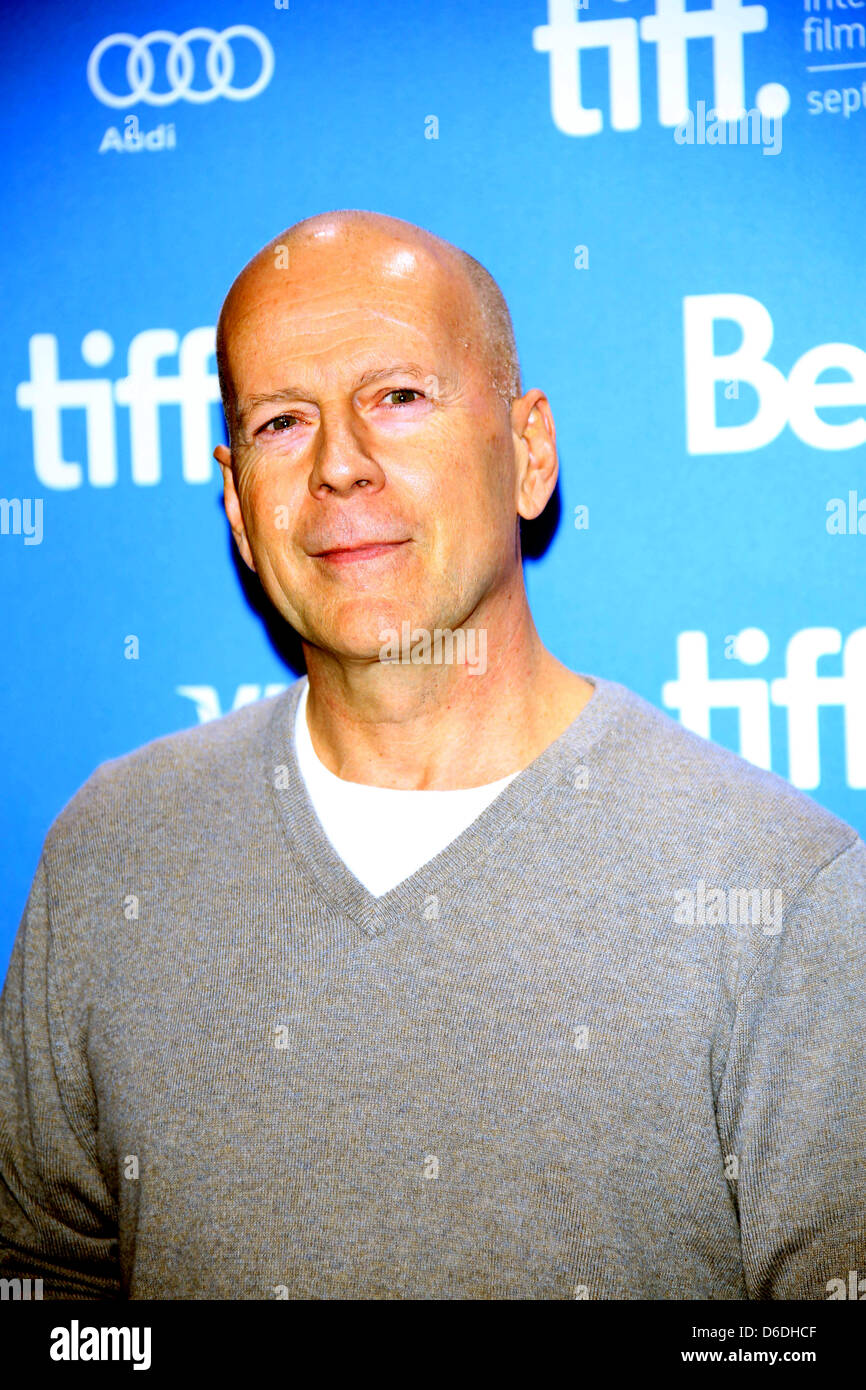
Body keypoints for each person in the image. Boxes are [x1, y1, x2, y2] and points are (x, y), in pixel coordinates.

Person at [1, 210, 863, 1300]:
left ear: (529, 450)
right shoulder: (109, 851)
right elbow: (39, 1285)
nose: (339, 467)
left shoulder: (783, 892)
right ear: (234, 496)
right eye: (279, 422)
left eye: (397, 398)